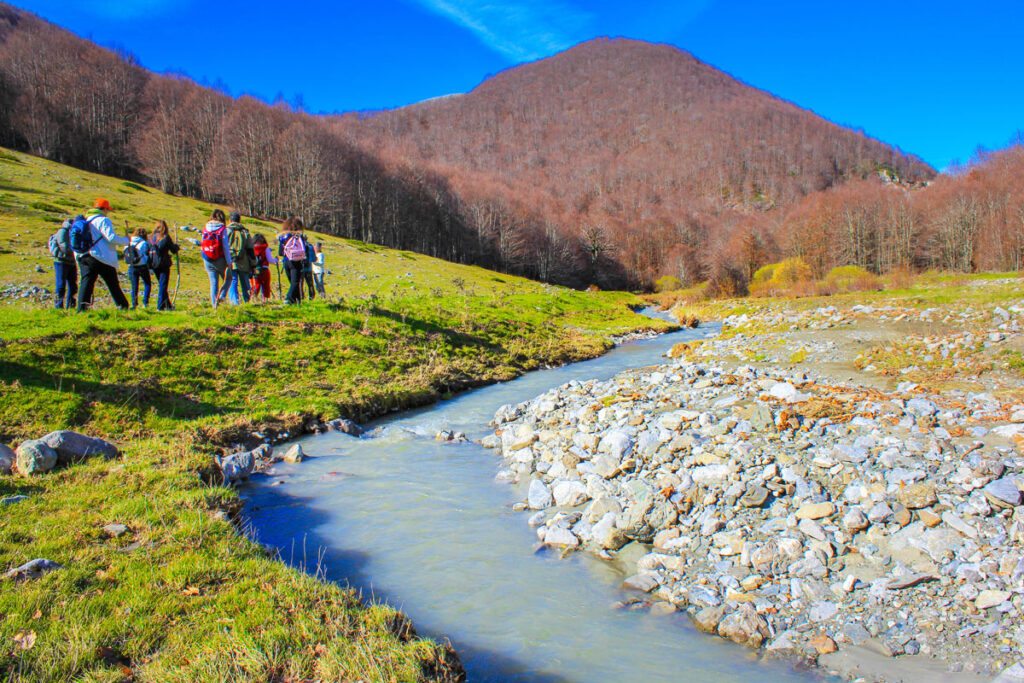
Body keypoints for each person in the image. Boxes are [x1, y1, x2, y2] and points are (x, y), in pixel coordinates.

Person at [75, 198, 129, 312]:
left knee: (87, 283)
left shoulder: (86, 220)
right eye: (107, 210)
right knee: (112, 283)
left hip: (84, 255)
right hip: (101, 257)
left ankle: (82, 308)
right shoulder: (103, 220)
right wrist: (126, 241)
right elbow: (111, 238)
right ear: (104, 209)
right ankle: (123, 306)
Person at [201, 209, 233, 307]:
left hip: (207, 259)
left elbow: (202, 244)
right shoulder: (222, 229)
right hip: (219, 259)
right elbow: (225, 247)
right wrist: (229, 262)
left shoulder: (206, 227)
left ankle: (214, 306)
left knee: (213, 283)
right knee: (229, 278)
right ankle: (222, 296)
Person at [226, 211, 255, 305]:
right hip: (244, 262)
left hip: (230, 261)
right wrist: (253, 264)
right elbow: (250, 250)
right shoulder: (244, 232)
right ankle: (247, 301)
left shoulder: (226, 231)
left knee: (233, 281)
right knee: (245, 282)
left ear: (230, 220)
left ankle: (234, 302)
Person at [277, 217, 308, 305]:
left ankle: (297, 301)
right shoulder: (299, 236)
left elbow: (280, 252)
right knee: (295, 282)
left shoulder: (283, 237)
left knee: (293, 282)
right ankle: (289, 298)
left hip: (286, 261)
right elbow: (304, 249)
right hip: (296, 261)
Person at [48, 218, 77, 309]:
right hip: (62, 261)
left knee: (71, 286)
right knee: (61, 285)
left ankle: (66, 306)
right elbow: (64, 247)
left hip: (68, 261)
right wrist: (77, 252)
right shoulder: (63, 232)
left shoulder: (69, 231)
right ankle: (60, 306)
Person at [151, 220, 179, 311]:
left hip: (154, 264)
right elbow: (173, 250)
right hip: (164, 264)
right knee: (163, 285)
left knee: (161, 284)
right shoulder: (166, 237)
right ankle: (160, 306)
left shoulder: (151, 238)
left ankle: (168, 306)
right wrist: (177, 247)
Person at [126, 226, 153, 309]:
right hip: (142, 266)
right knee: (147, 283)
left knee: (134, 286)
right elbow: (147, 255)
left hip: (132, 266)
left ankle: (134, 303)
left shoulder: (129, 242)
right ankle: (145, 302)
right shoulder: (144, 243)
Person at [250, 233, 277, 302]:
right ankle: (265, 299)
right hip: (264, 268)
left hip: (255, 269)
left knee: (256, 285)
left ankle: (253, 298)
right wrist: (276, 260)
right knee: (266, 285)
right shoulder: (266, 248)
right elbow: (270, 260)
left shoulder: (251, 249)